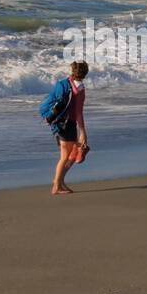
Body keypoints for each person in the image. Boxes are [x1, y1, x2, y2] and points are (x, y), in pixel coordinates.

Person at [49, 60, 90, 195]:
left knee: (71, 154)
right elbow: (78, 112)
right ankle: (56, 186)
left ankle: (60, 182)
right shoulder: (80, 89)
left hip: (57, 122)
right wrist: (82, 132)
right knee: (66, 156)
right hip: (68, 124)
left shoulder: (66, 83)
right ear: (85, 73)